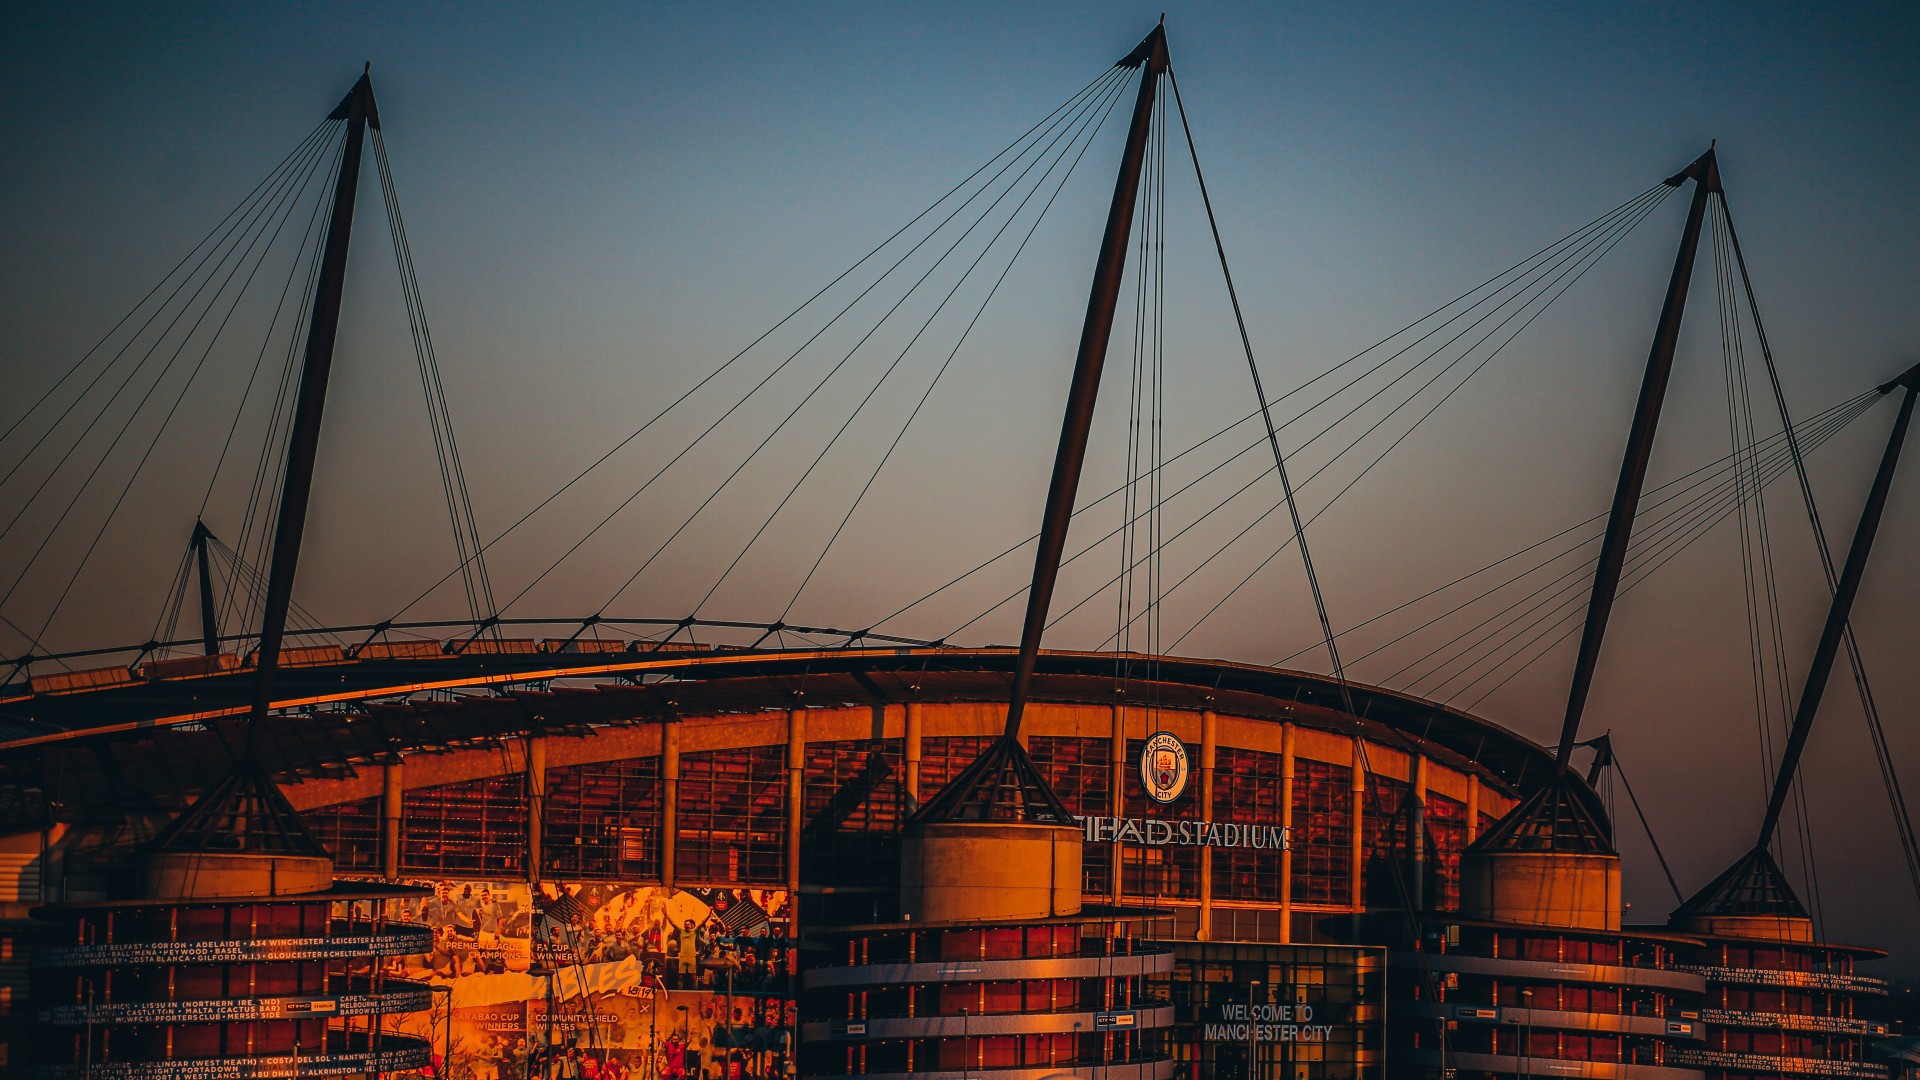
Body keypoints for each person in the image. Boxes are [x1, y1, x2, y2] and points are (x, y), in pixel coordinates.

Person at [673, 918, 700, 989]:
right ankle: (679, 994)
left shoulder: (694, 931)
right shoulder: (681, 931)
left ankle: (695, 994)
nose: (687, 925)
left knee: (693, 977)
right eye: (686, 924)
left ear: (691, 925)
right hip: (683, 956)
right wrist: (666, 914)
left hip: (691, 956)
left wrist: (709, 914)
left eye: (689, 924)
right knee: (681, 977)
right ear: (684, 926)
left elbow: (702, 923)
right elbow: (673, 924)